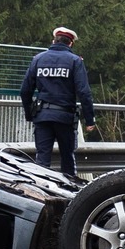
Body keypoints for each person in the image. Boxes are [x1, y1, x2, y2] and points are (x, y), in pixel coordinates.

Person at [20, 26, 96, 179]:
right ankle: (68, 194)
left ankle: (40, 193)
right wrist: (89, 119)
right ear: (70, 44)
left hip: (42, 117)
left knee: (42, 161)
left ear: (53, 40)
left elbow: (25, 90)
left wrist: (30, 114)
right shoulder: (75, 61)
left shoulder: (38, 59)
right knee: (67, 159)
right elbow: (84, 92)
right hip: (65, 118)